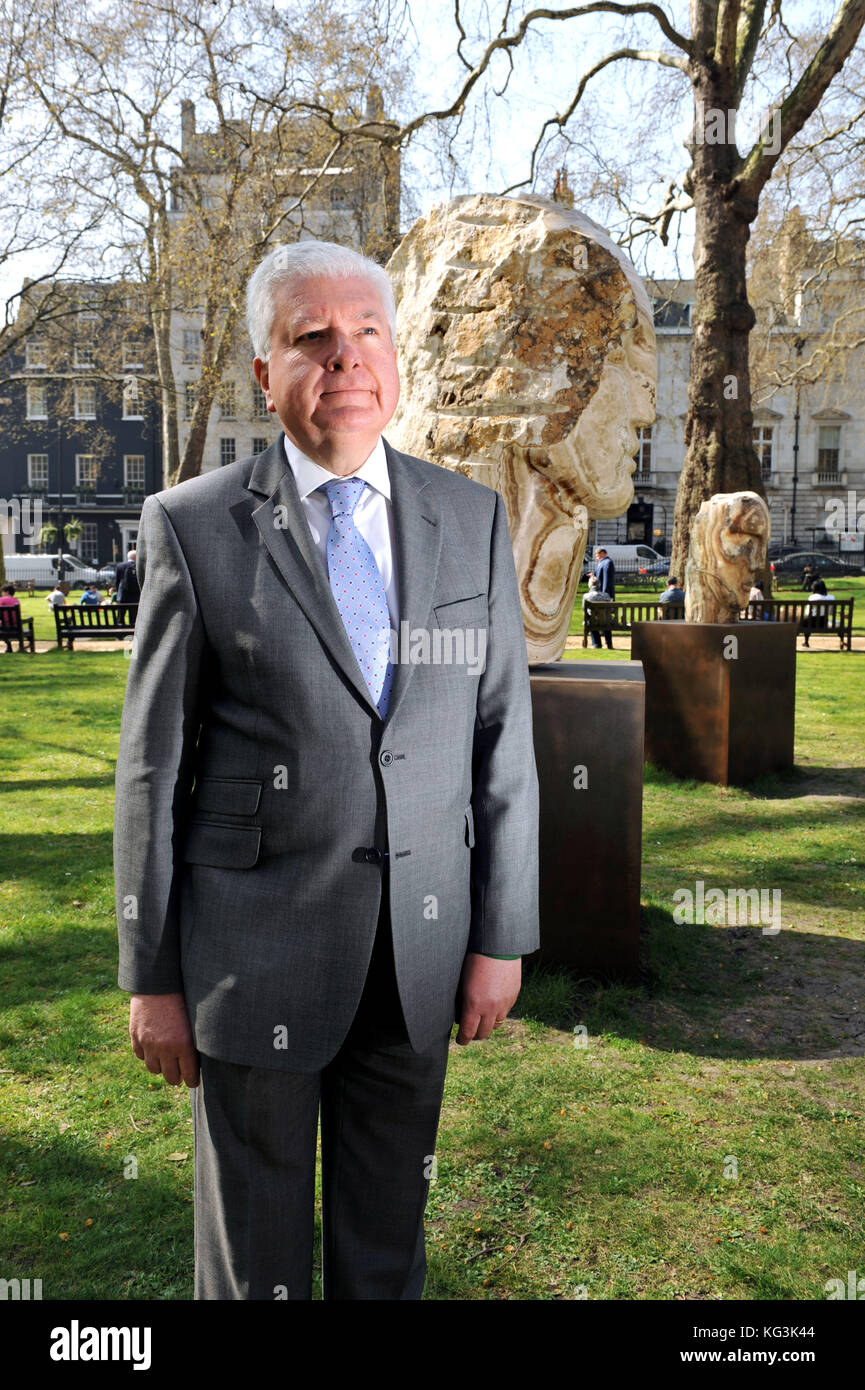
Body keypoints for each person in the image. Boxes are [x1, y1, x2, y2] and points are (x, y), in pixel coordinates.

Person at [113, 239, 540, 1302]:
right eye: (312, 338)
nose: (344, 359)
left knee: (385, 1249)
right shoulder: (194, 525)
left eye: (367, 333)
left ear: (396, 358)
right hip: (249, 955)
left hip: (418, 956)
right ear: (267, 373)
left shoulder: (470, 519)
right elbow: (150, 769)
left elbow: (502, 748)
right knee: (252, 1260)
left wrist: (501, 936)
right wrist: (151, 976)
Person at [582, 572, 613, 648]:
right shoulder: (606, 595)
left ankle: (596, 643)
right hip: (606, 621)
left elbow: (584, 609)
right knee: (606, 620)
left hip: (593, 621)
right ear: (599, 585)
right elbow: (611, 609)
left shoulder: (586, 596)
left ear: (590, 585)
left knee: (591, 620)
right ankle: (609, 644)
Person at [802, 578, 835, 647]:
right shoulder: (831, 597)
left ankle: (806, 641)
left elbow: (807, 612)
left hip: (811, 623)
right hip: (824, 622)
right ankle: (842, 640)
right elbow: (831, 612)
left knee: (805, 620)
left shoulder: (812, 597)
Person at [114, 548, 140, 622]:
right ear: (135, 557)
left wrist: (118, 592)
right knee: (133, 619)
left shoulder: (120, 566)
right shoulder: (138, 566)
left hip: (122, 596)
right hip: (135, 597)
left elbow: (117, 582)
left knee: (120, 617)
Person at [0, 583, 21, 652]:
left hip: (4, 626)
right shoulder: (16, 601)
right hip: (15, 626)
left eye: (2, 592)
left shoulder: (1, 600)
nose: (2, 593)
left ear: (7, 592)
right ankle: (9, 647)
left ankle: (9, 646)